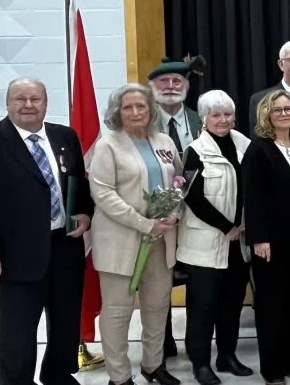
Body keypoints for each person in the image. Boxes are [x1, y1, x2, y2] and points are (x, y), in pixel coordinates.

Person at [0, 78, 93, 385]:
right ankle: (17, 380)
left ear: (46, 103)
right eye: (20, 99)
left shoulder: (65, 136)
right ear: (7, 104)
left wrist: (84, 213)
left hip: (65, 248)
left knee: (65, 323)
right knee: (17, 331)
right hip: (14, 255)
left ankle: (58, 375)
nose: (28, 105)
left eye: (35, 99)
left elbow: (78, 185)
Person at [88, 83, 183, 385]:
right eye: (128, 107)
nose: (135, 112)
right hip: (120, 243)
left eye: (141, 106)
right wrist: (145, 223)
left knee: (157, 307)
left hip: (161, 241)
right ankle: (118, 376)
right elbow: (103, 194)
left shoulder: (165, 141)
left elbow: (180, 183)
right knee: (117, 314)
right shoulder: (108, 145)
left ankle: (153, 365)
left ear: (151, 109)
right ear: (117, 112)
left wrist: (173, 213)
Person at [177, 90, 254, 384]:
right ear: (205, 118)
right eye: (216, 115)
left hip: (239, 243)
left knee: (232, 304)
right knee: (203, 306)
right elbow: (192, 197)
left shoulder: (245, 145)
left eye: (227, 114)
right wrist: (227, 227)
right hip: (206, 243)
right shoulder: (194, 151)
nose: (223, 120)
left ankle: (227, 356)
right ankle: (200, 363)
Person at [244, 90, 290, 385]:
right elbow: (253, 198)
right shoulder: (258, 150)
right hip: (270, 240)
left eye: (288, 109)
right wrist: (259, 239)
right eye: (278, 110)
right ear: (267, 115)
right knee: (272, 305)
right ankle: (272, 370)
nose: (284, 114)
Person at [148, 56, 204, 361]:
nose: (170, 87)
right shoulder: (142, 122)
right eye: (163, 82)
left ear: (186, 86)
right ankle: (163, 341)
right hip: (156, 216)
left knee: (196, 281)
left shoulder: (202, 120)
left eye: (177, 81)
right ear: (153, 87)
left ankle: (197, 344)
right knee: (159, 283)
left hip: (197, 216)